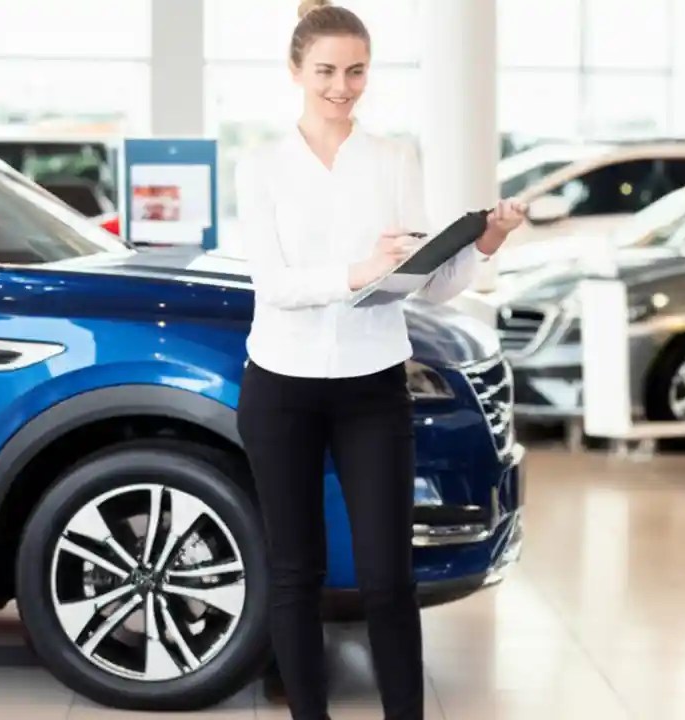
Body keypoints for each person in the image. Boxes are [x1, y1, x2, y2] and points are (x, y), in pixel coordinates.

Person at [234, 2, 526, 719]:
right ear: (296, 71)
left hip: (372, 386)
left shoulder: (394, 157)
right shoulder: (263, 166)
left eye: (356, 71)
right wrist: (357, 271)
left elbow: (425, 283)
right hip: (281, 385)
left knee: (389, 577)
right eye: (327, 71)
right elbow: (274, 286)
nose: (343, 86)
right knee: (296, 571)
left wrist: (482, 245)